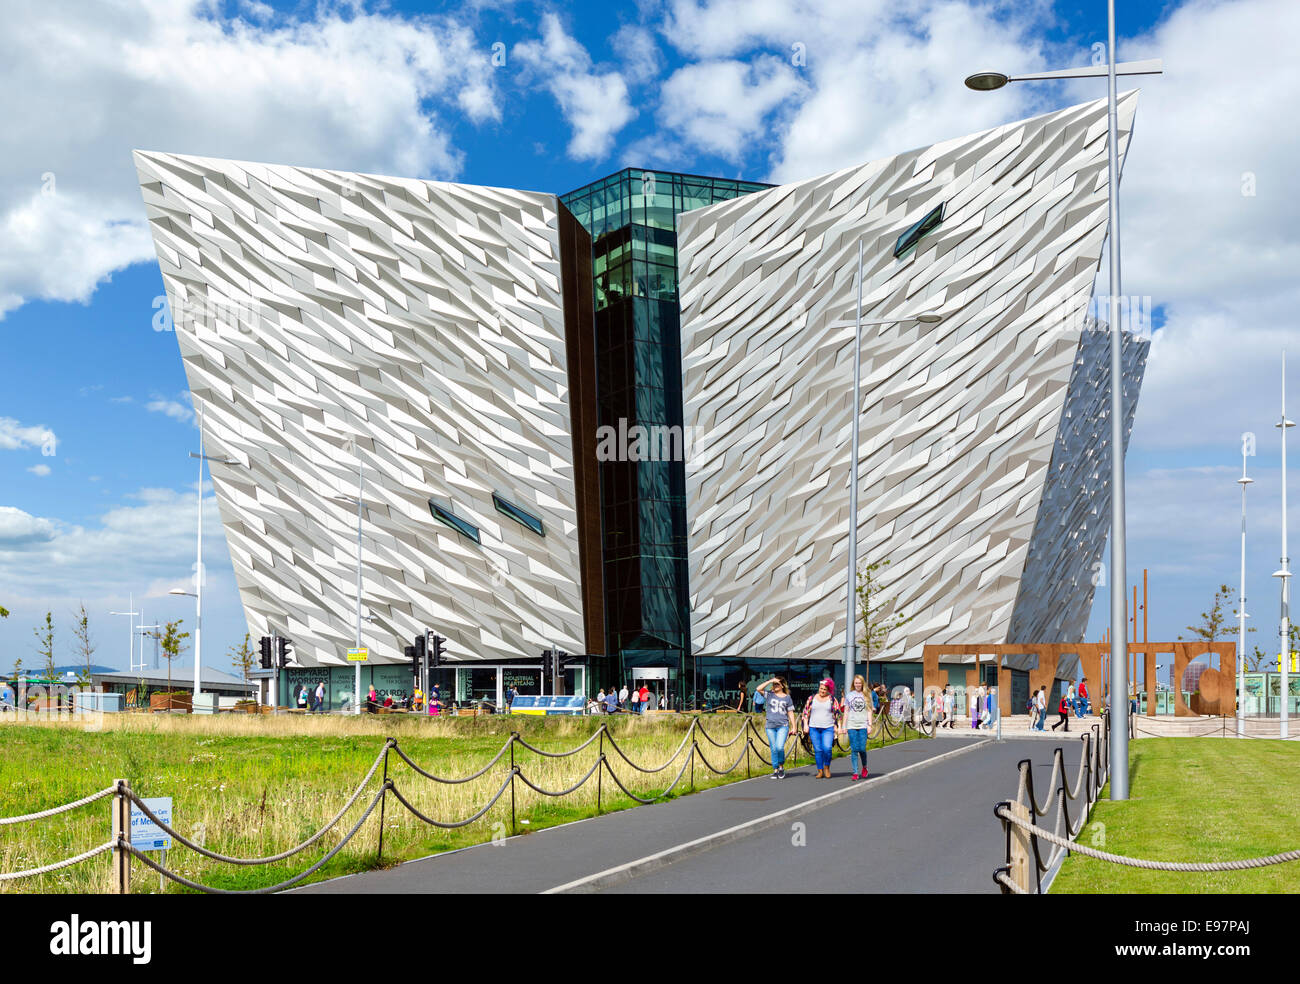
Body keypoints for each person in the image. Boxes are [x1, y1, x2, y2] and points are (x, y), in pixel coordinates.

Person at [755, 676, 797, 778]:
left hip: (783, 725)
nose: (775, 686)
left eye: (777, 684)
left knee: (779, 747)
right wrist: (770, 681)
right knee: (773, 748)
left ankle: (781, 766)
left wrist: (794, 726)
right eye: (774, 684)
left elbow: (790, 712)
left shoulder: (787, 698)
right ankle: (775, 769)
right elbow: (758, 689)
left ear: (782, 685)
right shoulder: (769, 695)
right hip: (770, 726)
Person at [801, 678, 842, 779]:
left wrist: (839, 727)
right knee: (818, 750)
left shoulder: (832, 700)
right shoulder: (812, 698)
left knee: (827, 748)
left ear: (828, 690)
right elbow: (805, 713)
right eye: (821, 688)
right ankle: (820, 770)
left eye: (824, 689)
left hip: (828, 728)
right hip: (814, 728)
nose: (822, 691)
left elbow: (838, 714)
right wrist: (806, 725)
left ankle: (827, 767)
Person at [842, 675, 874, 781]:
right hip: (851, 725)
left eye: (859, 683)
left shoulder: (867, 695)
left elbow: (869, 711)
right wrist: (844, 725)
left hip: (863, 725)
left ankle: (864, 767)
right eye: (856, 683)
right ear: (853, 684)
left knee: (862, 748)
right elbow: (846, 711)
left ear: (862, 684)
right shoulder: (849, 695)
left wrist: (870, 725)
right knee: (854, 749)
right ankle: (855, 772)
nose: (858, 685)